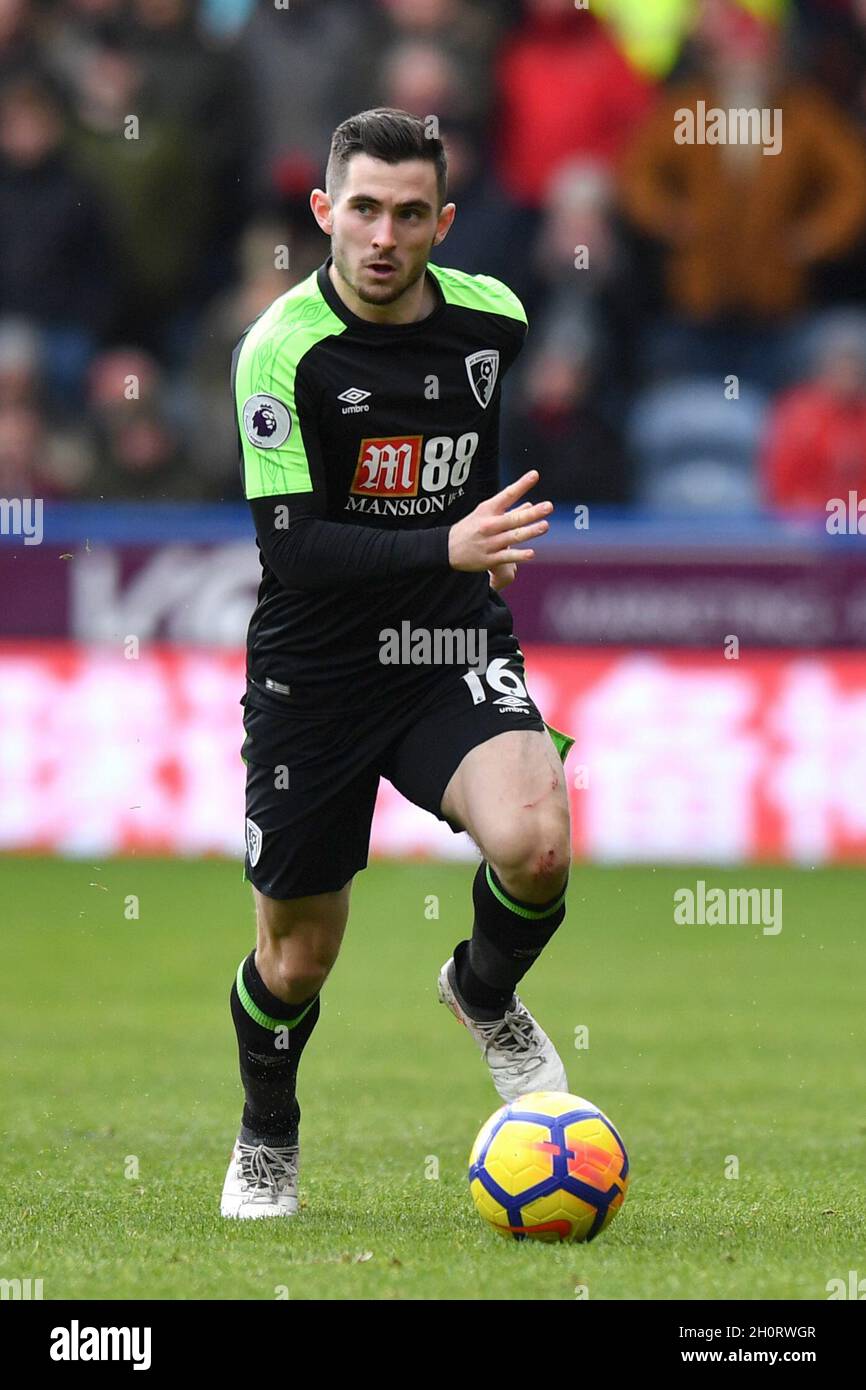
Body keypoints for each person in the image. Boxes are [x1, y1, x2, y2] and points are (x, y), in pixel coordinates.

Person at [221, 107, 575, 1219]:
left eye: (409, 213)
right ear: (325, 211)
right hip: (313, 672)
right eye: (362, 209)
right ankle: (266, 1136)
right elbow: (293, 547)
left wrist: (466, 554)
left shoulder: (494, 321)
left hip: (444, 644)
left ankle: (481, 991)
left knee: (537, 840)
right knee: (296, 961)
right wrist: (447, 540)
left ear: (442, 221)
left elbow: (451, 449)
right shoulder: (280, 351)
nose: (382, 234)